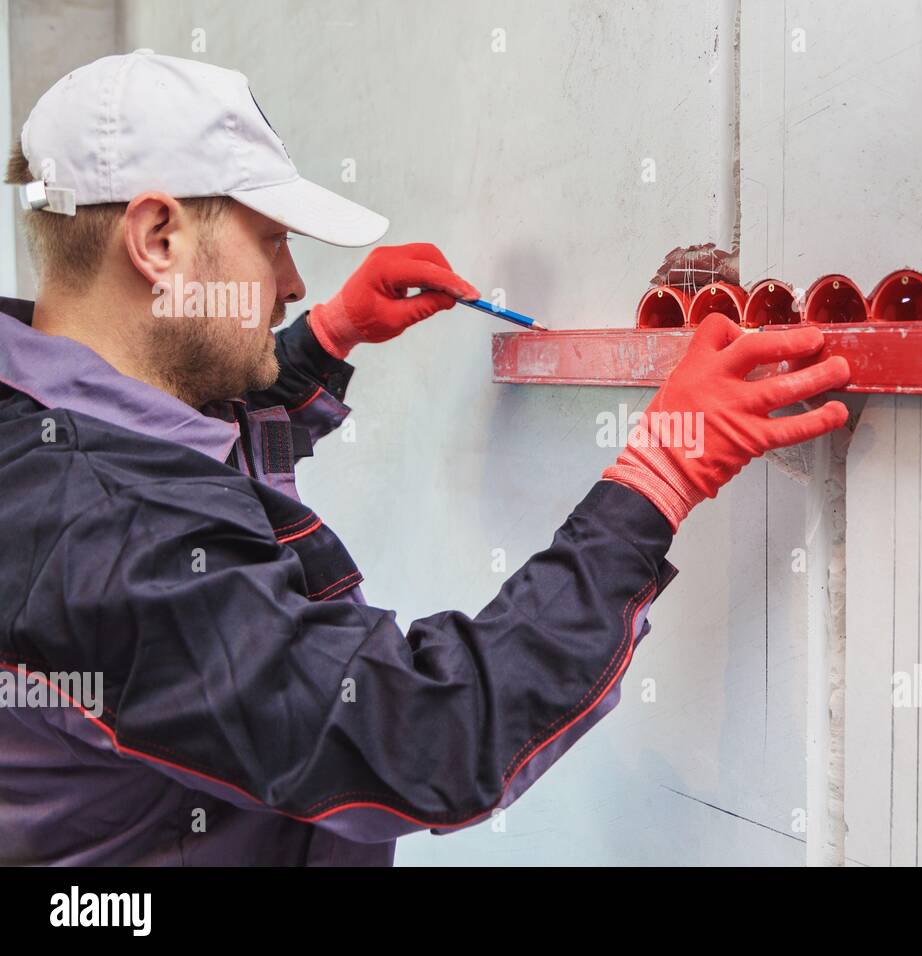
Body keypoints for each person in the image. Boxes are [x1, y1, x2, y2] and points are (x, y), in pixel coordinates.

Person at [0, 52, 850, 865]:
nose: (294, 282)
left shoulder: (43, 415)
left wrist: (328, 338)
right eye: (271, 241)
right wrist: (660, 474)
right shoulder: (106, 534)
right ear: (157, 238)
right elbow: (424, 735)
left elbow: (178, 451)